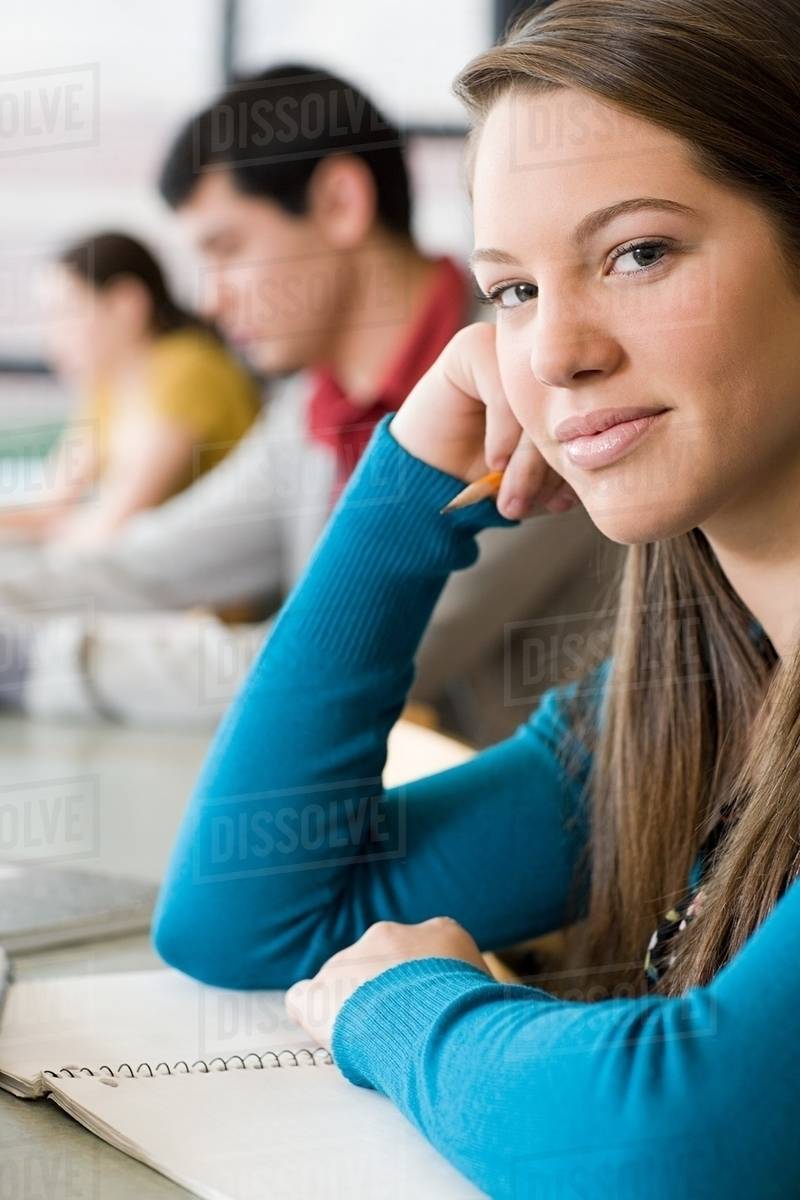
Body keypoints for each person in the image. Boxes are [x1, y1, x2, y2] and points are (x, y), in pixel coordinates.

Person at [152, 2, 800, 1195]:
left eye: (636, 252)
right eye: (509, 292)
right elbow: (244, 921)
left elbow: (677, 1135)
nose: (553, 353)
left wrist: (408, 1008)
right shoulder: (686, 694)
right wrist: (405, 482)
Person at [0, 65, 616, 741]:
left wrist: (29, 662)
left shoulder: (520, 382)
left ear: (340, 203)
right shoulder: (314, 404)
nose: (209, 299)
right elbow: (141, 568)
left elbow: (337, 665)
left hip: (554, 835)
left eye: (227, 248)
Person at [0, 232, 259, 550]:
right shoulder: (108, 382)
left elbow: (112, 527)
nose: (52, 338)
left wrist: (64, 529)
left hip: (204, 592)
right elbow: (48, 509)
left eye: (64, 313)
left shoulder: (188, 369)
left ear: (126, 304)